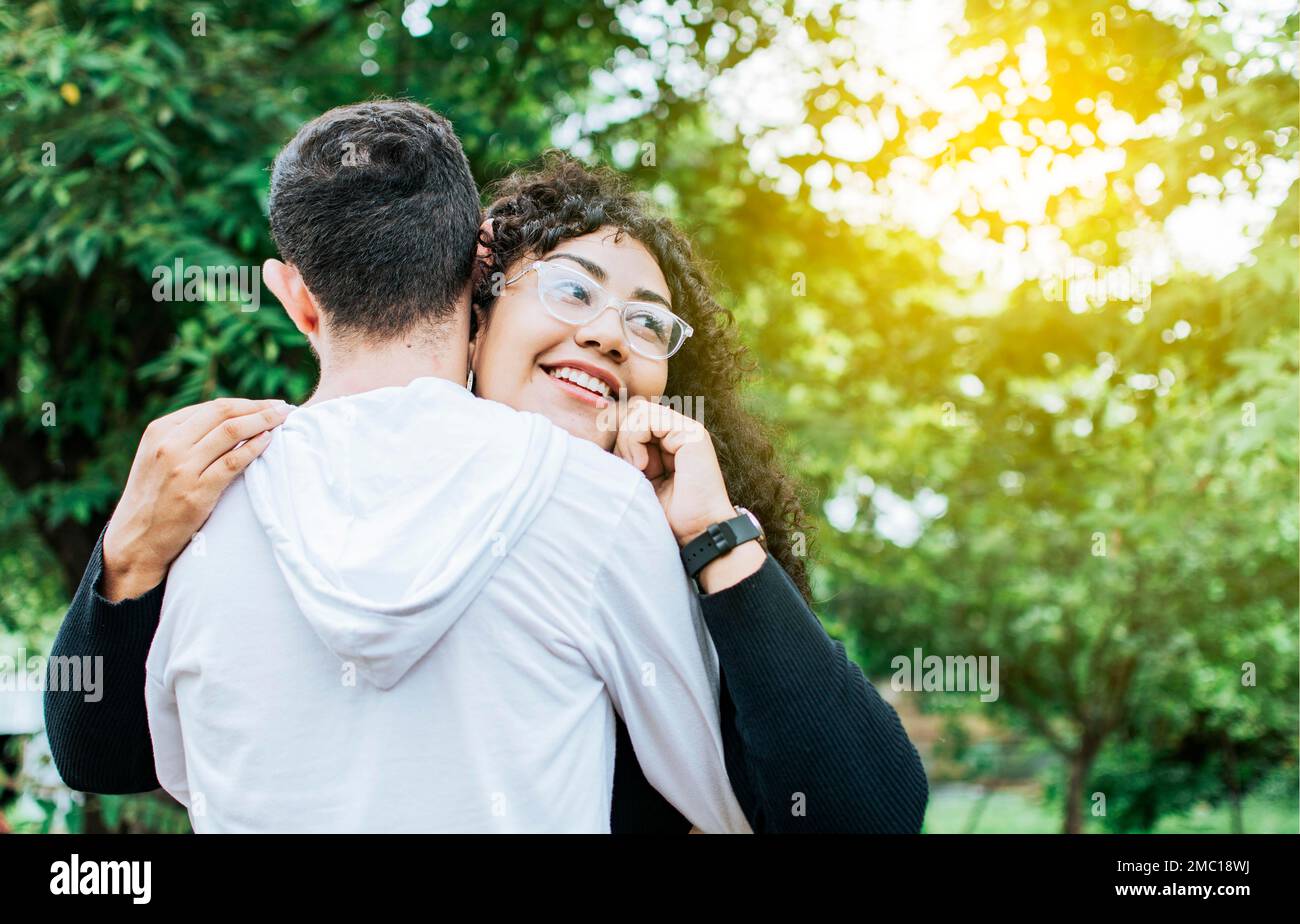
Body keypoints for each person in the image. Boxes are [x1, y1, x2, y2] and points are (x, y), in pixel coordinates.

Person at [45, 104, 930, 833]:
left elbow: (861, 811)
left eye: (648, 323)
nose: (607, 334)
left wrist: (718, 540)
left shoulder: (664, 542)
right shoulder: (236, 491)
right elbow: (104, 753)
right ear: (476, 295)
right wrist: (126, 558)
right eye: (573, 289)